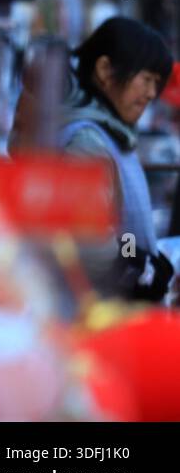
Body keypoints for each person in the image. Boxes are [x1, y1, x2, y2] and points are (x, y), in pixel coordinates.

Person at [58, 17, 175, 301]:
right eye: (146, 79)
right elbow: (91, 242)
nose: (150, 93)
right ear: (105, 70)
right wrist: (144, 271)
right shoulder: (86, 144)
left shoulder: (112, 134)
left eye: (156, 84)